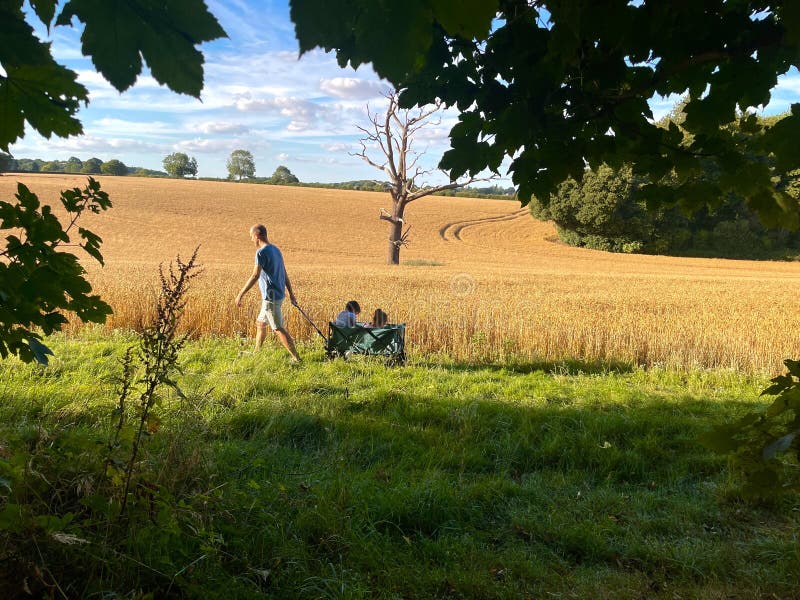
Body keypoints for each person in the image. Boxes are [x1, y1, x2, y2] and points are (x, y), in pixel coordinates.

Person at [235, 224, 301, 362]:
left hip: (271, 297)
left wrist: (241, 293)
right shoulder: (276, 250)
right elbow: (284, 273)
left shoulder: (261, 253)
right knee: (260, 323)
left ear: (257, 235)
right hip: (276, 295)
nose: (251, 240)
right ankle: (256, 353)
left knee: (277, 328)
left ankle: (296, 358)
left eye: (251, 237)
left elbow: (255, 276)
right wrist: (291, 294)